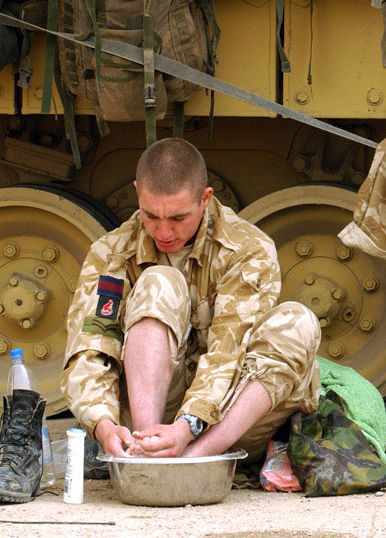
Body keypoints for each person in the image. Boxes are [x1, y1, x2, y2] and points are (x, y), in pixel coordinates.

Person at [60, 138, 320, 459]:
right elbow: (90, 347)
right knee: (159, 282)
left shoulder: (248, 249)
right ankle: (147, 451)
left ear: (205, 198)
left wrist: (187, 428)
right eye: (150, 216)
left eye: (178, 218)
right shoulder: (112, 254)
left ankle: (192, 460)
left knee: (298, 322)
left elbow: (227, 354)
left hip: (228, 422)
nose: (163, 232)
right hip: (153, 414)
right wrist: (103, 425)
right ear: (137, 193)